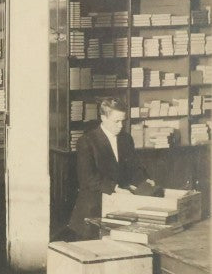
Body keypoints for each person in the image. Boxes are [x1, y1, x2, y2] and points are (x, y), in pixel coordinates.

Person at [65, 98, 156, 241]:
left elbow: (134, 167)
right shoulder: (87, 141)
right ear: (103, 118)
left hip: (119, 206)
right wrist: (115, 188)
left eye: (123, 121)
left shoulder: (126, 139)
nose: (121, 126)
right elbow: (87, 178)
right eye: (116, 121)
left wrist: (145, 179)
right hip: (94, 208)